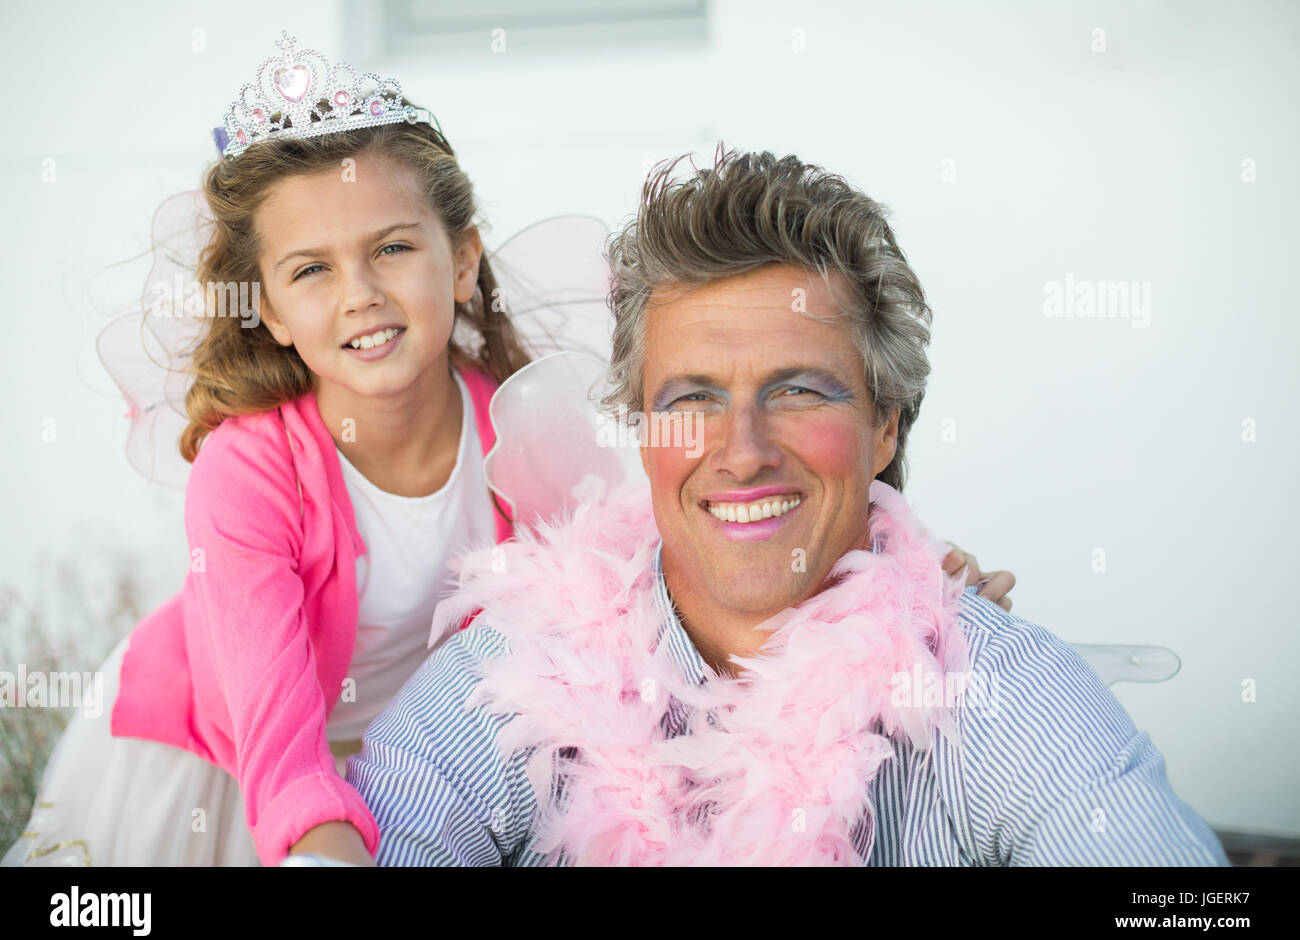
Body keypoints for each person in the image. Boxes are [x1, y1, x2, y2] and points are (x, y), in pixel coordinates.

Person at [347, 147, 1230, 866]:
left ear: (885, 426)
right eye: (691, 399)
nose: (742, 451)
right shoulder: (511, 673)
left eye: (800, 390)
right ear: (643, 429)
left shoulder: (998, 688)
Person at [2, 30, 533, 867]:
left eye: (392, 247)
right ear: (273, 313)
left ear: (461, 260)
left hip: (426, 770)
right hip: (231, 766)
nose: (360, 295)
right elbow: (284, 765)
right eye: (310, 271)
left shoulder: (524, 431)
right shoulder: (248, 473)